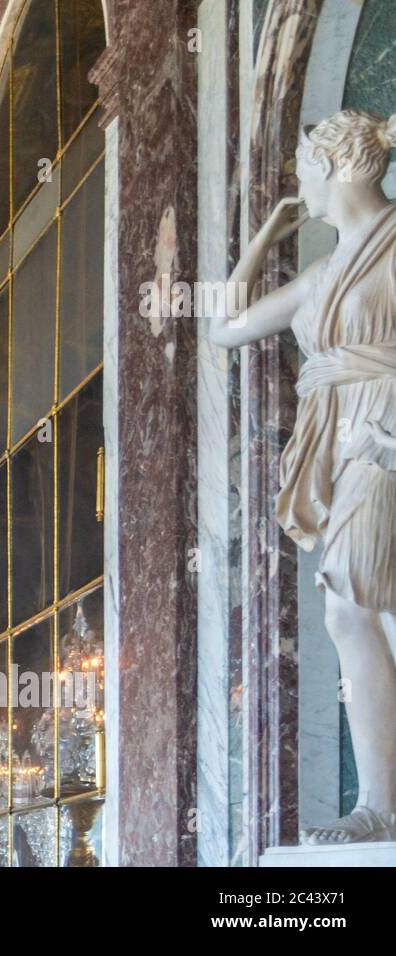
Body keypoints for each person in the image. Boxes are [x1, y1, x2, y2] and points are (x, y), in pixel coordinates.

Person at [205, 110, 396, 844]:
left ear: (338, 165)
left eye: (306, 172)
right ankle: (381, 802)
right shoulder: (322, 273)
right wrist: (261, 243)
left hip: (382, 436)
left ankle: (379, 803)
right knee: (360, 608)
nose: (301, 188)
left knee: (353, 602)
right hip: (340, 442)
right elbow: (225, 328)